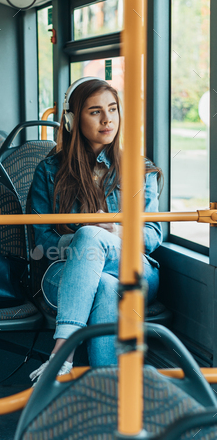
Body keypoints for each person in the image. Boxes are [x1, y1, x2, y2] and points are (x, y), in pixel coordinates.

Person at [28, 76, 163, 380]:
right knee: (103, 282)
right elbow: (40, 242)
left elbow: (153, 235)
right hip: (66, 273)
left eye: (113, 109)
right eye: (95, 112)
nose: (107, 120)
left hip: (133, 267)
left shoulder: (139, 169)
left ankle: (61, 355)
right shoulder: (49, 172)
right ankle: (110, 396)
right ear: (72, 120)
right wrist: (84, 236)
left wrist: (111, 233)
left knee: (93, 235)